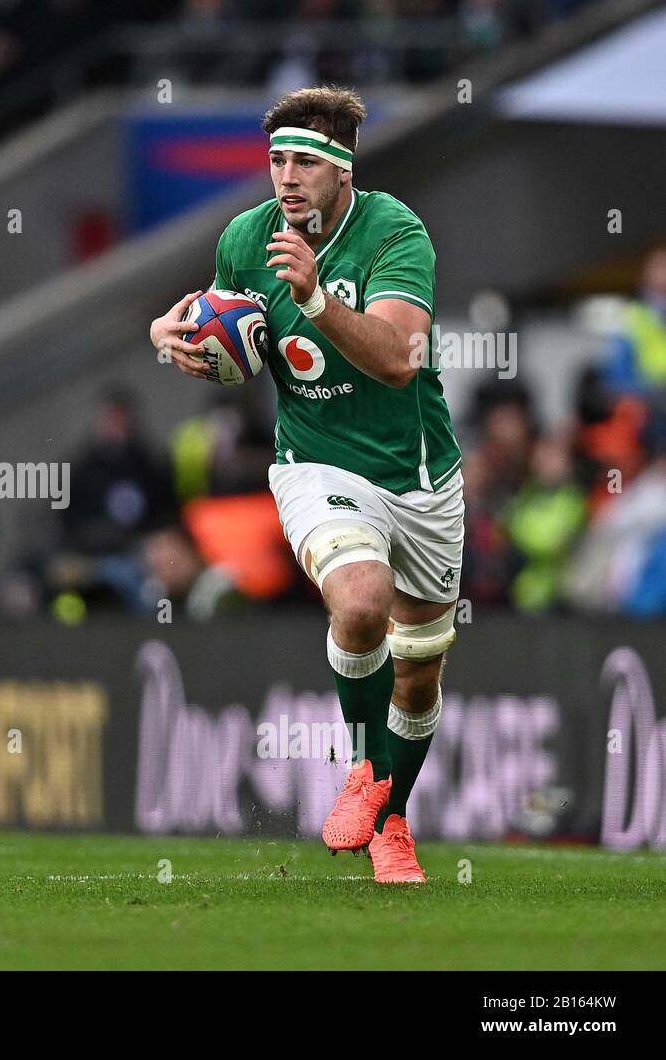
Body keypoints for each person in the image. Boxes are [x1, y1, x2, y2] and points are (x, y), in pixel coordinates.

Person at [149, 86, 465, 883]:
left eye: (305, 162)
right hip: (316, 465)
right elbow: (222, 330)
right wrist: (172, 338)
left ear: (343, 170)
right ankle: (365, 768)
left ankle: (392, 821)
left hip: (419, 473)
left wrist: (315, 297)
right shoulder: (245, 237)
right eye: (277, 160)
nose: (286, 178)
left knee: (420, 662)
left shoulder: (397, 233)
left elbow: (398, 360)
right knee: (360, 605)